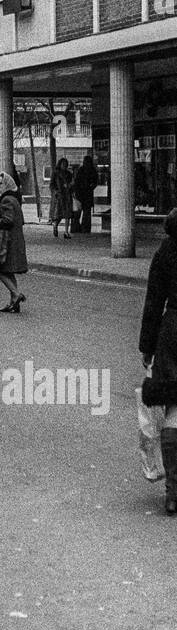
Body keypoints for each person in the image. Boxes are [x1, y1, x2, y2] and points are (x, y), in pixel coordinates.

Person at [139, 209, 177, 513]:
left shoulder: (166, 251)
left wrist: (147, 347)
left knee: (173, 406)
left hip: (172, 333)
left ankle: (174, 490)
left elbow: (154, 300)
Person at [0, 171, 28, 313]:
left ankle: (17, 295)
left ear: (7, 185)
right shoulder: (14, 199)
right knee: (9, 270)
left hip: (8, 241)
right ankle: (13, 302)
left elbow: (8, 220)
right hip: (14, 240)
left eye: (0, 183)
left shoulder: (7, 200)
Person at [72, 154, 98, 234]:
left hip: (81, 193)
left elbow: (76, 182)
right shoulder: (92, 170)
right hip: (86, 194)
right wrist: (90, 187)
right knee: (85, 213)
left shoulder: (81, 170)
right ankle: (85, 229)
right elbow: (95, 182)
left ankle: (76, 228)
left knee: (78, 213)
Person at [49, 156, 74, 239]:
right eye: (63, 164)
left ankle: (66, 232)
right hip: (59, 196)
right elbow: (51, 185)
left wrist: (70, 186)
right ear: (60, 164)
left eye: (66, 164)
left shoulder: (69, 174)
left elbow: (72, 184)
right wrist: (55, 192)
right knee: (59, 214)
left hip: (67, 196)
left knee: (67, 214)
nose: (64, 166)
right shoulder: (55, 173)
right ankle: (55, 225)